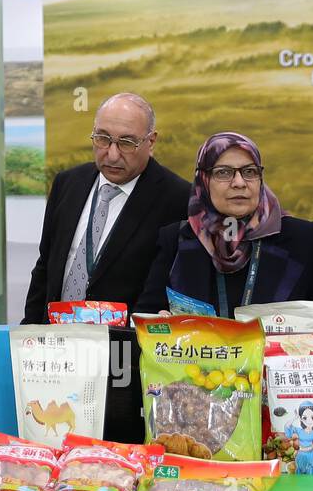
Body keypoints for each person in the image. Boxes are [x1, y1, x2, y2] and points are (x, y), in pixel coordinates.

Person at [136, 131, 313, 330]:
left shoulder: (302, 239)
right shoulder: (176, 240)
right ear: (203, 180)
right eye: (224, 173)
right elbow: (145, 319)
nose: (239, 183)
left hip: (274, 370)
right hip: (196, 370)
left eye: (249, 171)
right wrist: (159, 325)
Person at [24, 93, 190, 323]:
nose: (112, 154)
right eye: (102, 139)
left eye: (126, 143)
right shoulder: (68, 183)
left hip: (122, 348)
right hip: (54, 340)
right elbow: (45, 266)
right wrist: (29, 331)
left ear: (150, 141)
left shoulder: (177, 198)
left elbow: (162, 291)